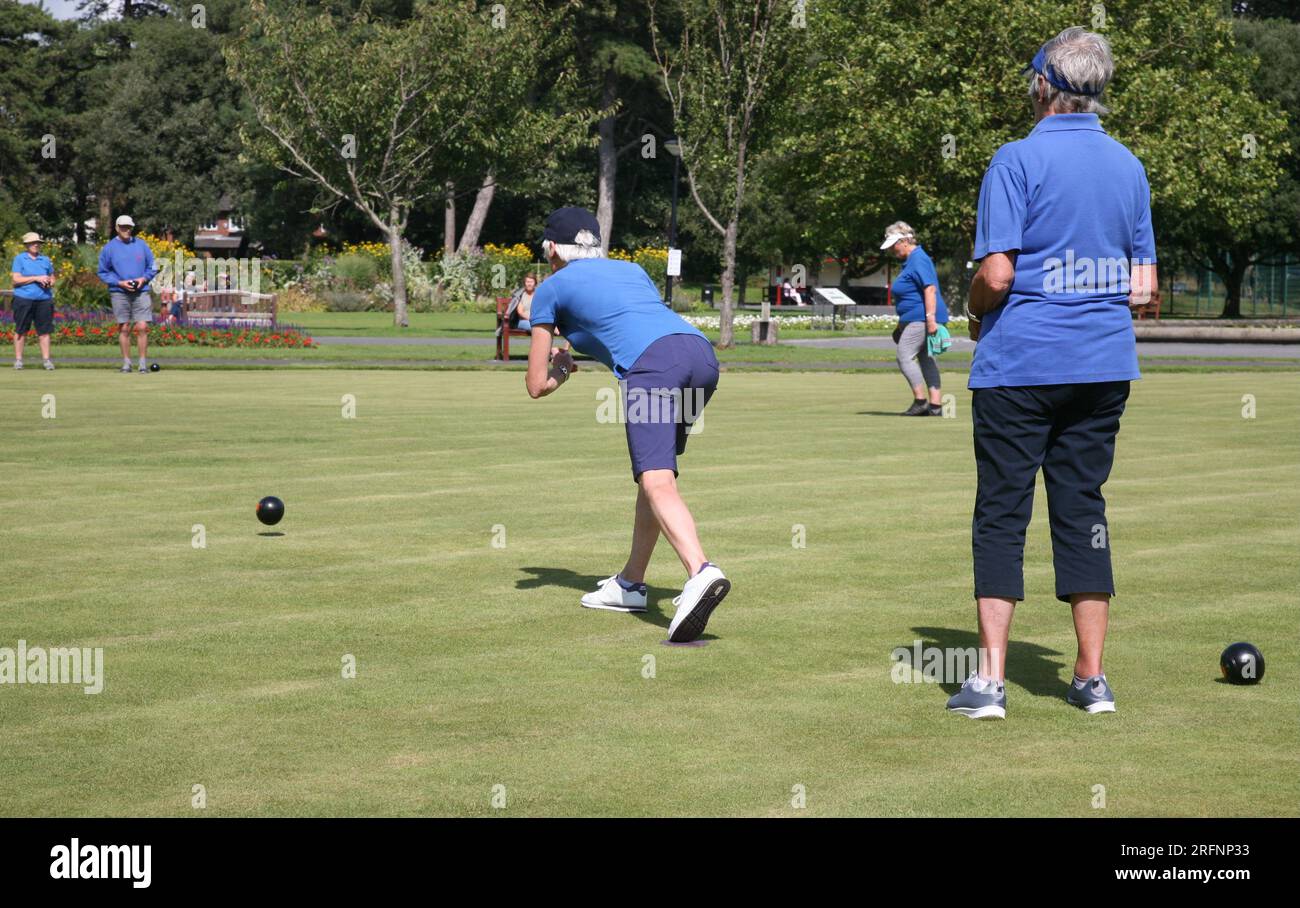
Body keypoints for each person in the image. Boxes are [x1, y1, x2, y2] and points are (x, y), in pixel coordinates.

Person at [946, 26, 1157, 720]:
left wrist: (972, 311)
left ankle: (990, 684)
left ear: (1042, 86)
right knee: (1083, 511)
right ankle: (1092, 679)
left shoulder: (1014, 159)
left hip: (1020, 366)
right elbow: (1143, 290)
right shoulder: (1129, 167)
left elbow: (997, 274)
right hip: (1101, 366)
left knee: (1002, 515)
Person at [524, 206, 728, 643]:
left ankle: (701, 572)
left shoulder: (549, 288)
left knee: (656, 479)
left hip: (653, 368)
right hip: (700, 356)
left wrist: (562, 369)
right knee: (655, 476)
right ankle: (630, 584)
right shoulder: (633, 269)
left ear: (551, 249)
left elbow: (536, 384)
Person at [881, 222, 948, 416]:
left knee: (904, 356)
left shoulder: (918, 259)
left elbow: (930, 289)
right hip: (916, 318)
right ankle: (935, 407)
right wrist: (902, 324)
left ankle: (920, 402)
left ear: (904, 241)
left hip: (923, 317)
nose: (892, 250)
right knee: (926, 359)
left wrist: (930, 319)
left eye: (894, 245)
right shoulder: (912, 260)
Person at [97, 215, 157, 373]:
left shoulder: (141, 245)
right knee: (124, 327)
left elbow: (153, 266)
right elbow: (103, 272)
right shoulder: (109, 248)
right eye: (123, 227)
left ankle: (142, 363)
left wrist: (143, 279)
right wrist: (119, 282)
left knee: (142, 326)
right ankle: (127, 363)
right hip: (119, 292)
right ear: (117, 228)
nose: (126, 229)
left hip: (141, 291)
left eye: (128, 227)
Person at [9, 232, 56, 371]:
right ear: (27, 245)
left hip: (44, 299)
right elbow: (16, 279)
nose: (36, 244)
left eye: (38, 242)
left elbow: (52, 277)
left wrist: (49, 282)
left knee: (44, 331)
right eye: (33, 242)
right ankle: (18, 360)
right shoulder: (20, 259)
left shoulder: (45, 260)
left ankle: (46, 360)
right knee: (21, 329)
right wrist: (36, 278)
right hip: (24, 299)